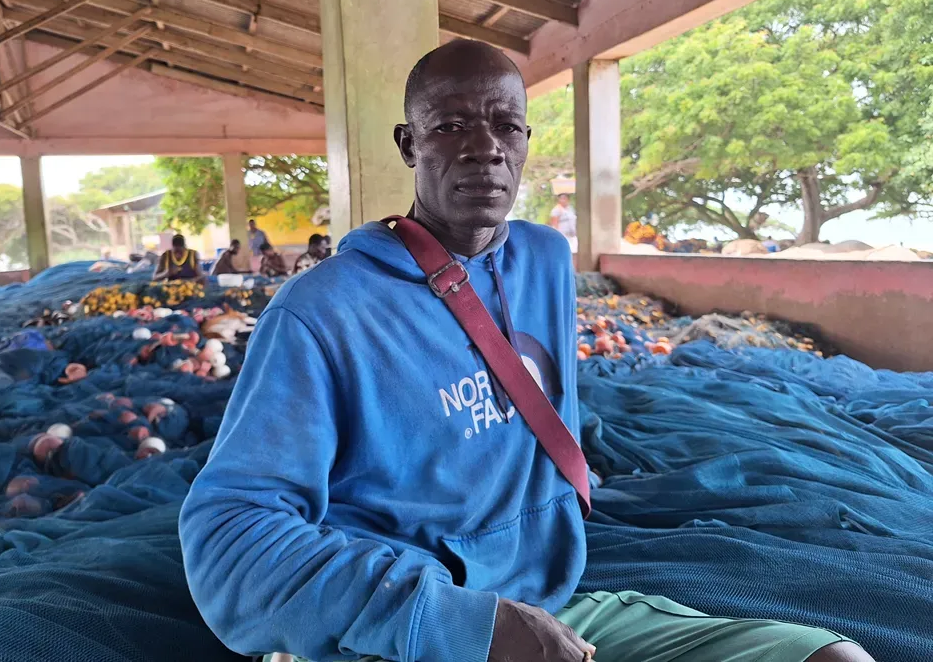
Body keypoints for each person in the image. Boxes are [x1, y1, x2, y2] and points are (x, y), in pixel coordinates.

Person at [179, 40, 871, 662]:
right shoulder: (321, 314)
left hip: (549, 603)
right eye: (450, 126)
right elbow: (228, 543)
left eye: (505, 125)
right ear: (407, 143)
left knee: (834, 659)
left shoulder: (544, 258)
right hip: (403, 632)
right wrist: (458, 623)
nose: (484, 147)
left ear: (526, 141)